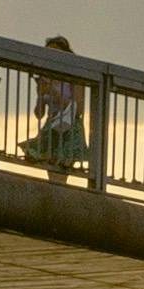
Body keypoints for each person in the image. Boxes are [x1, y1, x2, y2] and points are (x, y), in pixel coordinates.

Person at [26, 33, 89, 181]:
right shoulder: (46, 78)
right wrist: (41, 95)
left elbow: (78, 110)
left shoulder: (75, 78)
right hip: (52, 125)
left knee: (60, 172)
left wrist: (53, 90)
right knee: (51, 171)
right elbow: (39, 114)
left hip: (69, 127)